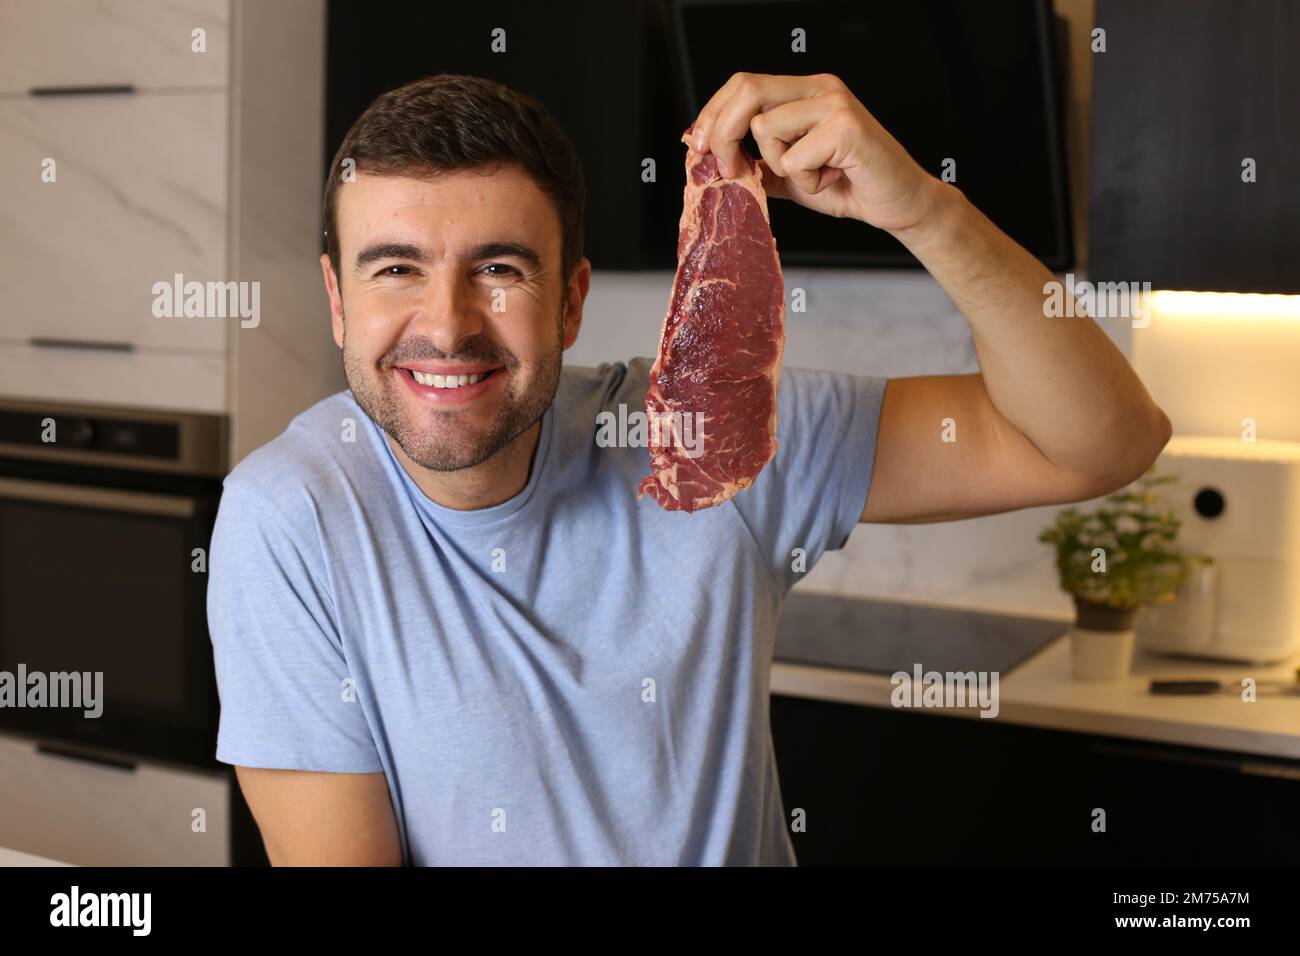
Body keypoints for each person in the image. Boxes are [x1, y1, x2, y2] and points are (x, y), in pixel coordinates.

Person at [208, 72, 1171, 866]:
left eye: (500, 268)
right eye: (395, 269)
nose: (448, 324)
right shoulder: (290, 518)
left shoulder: (703, 432)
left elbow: (1102, 443)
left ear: (572, 301)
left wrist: (927, 211)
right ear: (338, 300)